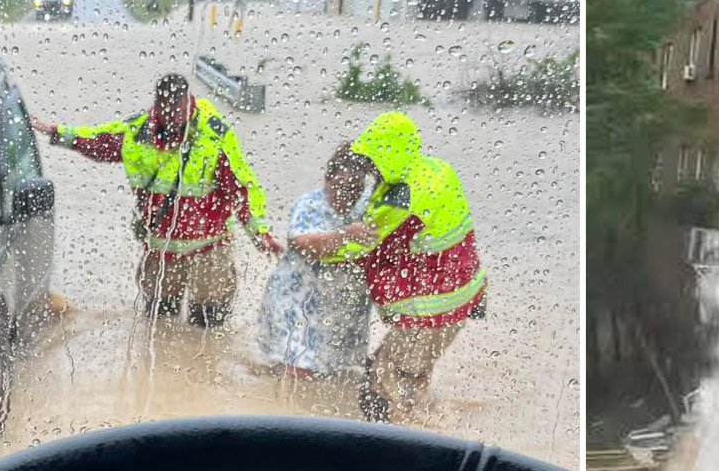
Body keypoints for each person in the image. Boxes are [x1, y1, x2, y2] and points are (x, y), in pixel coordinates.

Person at [34, 74, 280, 327]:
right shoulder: (138, 131)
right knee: (158, 323)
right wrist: (54, 132)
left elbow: (242, 187)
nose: (173, 116)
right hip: (161, 250)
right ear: (157, 105)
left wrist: (260, 233)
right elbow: (97, 140)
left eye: (179, 109)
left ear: (189, 103)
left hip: (210, 249)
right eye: (167, 109)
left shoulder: (214, 134)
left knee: (207, 327)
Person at [322, 112, 486, 422]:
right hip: (463, 297)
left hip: (429, 309)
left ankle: (387, 445)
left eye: (373, 162)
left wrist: (314, 249)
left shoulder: (400, 199)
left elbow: (361, 246)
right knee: (412, 377)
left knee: (378, 389)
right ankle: (424, 427)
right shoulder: (440, 169)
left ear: (386, 157)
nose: (370, 170)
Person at [254, 150, 374, 379]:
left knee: (341, 375)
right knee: (296, 372)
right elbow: (299, 242)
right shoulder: (309, 204)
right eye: (343, 187)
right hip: (297, 302)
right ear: (328, 179)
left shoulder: (366, 205)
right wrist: (345, 236)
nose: (349, 195)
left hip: (338, 310)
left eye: (356, 188)